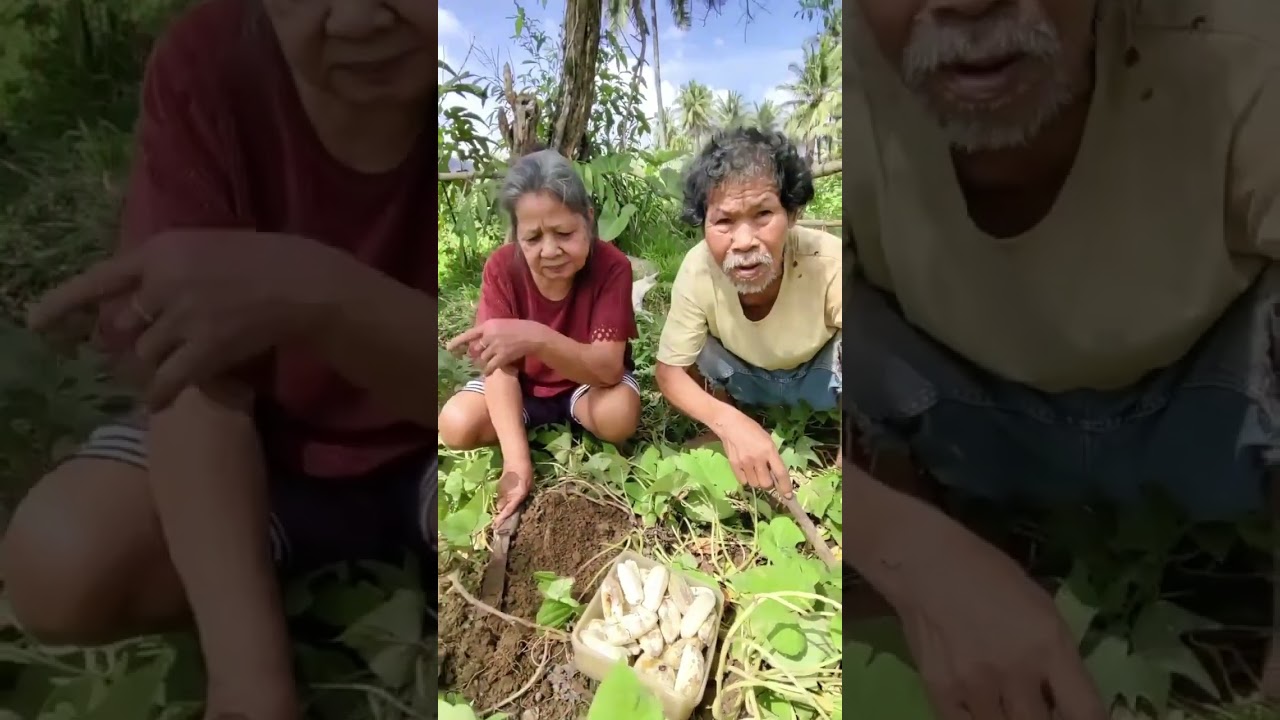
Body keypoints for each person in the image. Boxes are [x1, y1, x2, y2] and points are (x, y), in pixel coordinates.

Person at [844, 0, 1280, 717]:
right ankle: (928, 577)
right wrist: (909, 554)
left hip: (1210, 422)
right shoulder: (845, 87)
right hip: (961, 422)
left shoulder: (1241, 51)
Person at [0, 1, 433, 719]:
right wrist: (249, 680)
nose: (356, 19)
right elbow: (191, 378)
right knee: (59, 560)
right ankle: (260, 574)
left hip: (434, 441)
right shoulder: (212, 67)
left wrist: (316, 293)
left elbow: (472, 372)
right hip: (270, 451)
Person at [440, 149, 642, 528]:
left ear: (589, 220)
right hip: (525, 390)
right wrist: (516, 464)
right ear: (517, 236)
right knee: (455, 424)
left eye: (564, 233)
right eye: (532, 238)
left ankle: (567, 418)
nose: (550, 250)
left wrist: (534, 337)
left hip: (588, 386)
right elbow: (499, 370)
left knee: (619, 416)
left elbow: (607, 367)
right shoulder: (501, 268)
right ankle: (524, 429)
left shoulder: (612, 267)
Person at [655, 128, 843, 499]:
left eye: (762, 215)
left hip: (821, 381)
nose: (743, 242)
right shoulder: (697, 271)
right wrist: (728, 423)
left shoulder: (828, 260)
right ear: (703, 224)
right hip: (746, 383)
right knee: (694, 346)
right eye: (723, 221)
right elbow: (669, 372)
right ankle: (738, 425)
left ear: (792, 214)